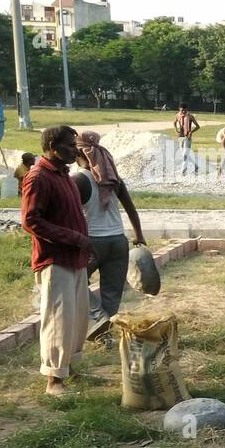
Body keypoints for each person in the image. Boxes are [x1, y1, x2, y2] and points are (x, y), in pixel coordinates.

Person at [20, 126, 91, 396]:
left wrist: (83, 244)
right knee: (58, 319)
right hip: (54, 259)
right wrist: (73, 237)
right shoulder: (38, 177)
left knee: (76, 318)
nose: (76, 150)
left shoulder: (64, 176)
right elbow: (31, 221)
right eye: (70, 145)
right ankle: (54, 380)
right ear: (52, 146)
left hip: (75, 257)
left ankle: (68, 368)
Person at [72, 131, 147, 336]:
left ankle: (97, 318)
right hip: (118, 241)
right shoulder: (114, 178)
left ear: (78, 152)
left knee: (74, 282)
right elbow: (131, 208)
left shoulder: (78, 180)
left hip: (92, 242)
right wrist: (139, 235)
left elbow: (68, 213)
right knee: (112, 292)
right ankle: (104, 335)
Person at [173, 104, 199, 174]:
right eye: (182, 110)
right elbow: (174, 123)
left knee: (185, 155)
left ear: (187, 109)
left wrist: (191, 132)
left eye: (185, 110)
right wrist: (176, 130)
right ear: (179, 109)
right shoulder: (177, 116)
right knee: (183, 155)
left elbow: (197, 126)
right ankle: (196, 166)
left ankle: (183, 171)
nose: (184, 111)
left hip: (188, 137)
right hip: (180, 137)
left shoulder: (190, 116)